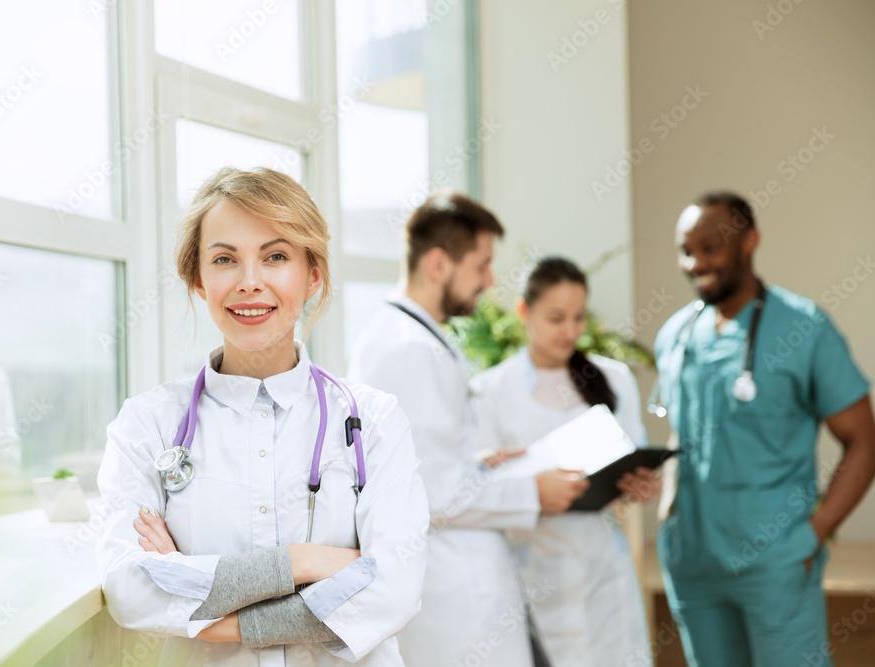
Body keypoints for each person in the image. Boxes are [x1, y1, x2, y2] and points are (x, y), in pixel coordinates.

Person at [96, 167, 430, 666]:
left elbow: (395, 588)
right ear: (198, 280)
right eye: (225, 259)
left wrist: (207, 610)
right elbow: (131, 588)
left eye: (275, 257)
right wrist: (306, 562)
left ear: (313, 274)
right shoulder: (146, 425)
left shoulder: (374, 420)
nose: (250, 282)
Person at [652, 191, 875, 667]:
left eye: (710, 247)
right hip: (694, 563)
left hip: (775, 562)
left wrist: (815, 534)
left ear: (749, 241)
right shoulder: (675, 335)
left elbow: (863, 441)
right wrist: (668, 513)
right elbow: (682, 433)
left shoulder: (804, 328)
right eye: (685, 250)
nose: (695, 262)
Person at [348, 191, 551, 667]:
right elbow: (437, 494)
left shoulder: (405, 337)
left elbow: (420, 467)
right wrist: (535, 492)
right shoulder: (409, 349)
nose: (489, 280)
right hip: (455, 595)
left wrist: (473, 463)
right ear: (438, 263)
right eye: (480, 264)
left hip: (456, 582)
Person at [471, 256, 658, 667]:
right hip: (529, 568)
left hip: (601, 566)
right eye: (557, 318)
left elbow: (630, 465)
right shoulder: (489, 391)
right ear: (525, 312)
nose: (570, 331)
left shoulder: (614, 379)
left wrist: (638, 485)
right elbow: (474, 489)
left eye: (579, 318)